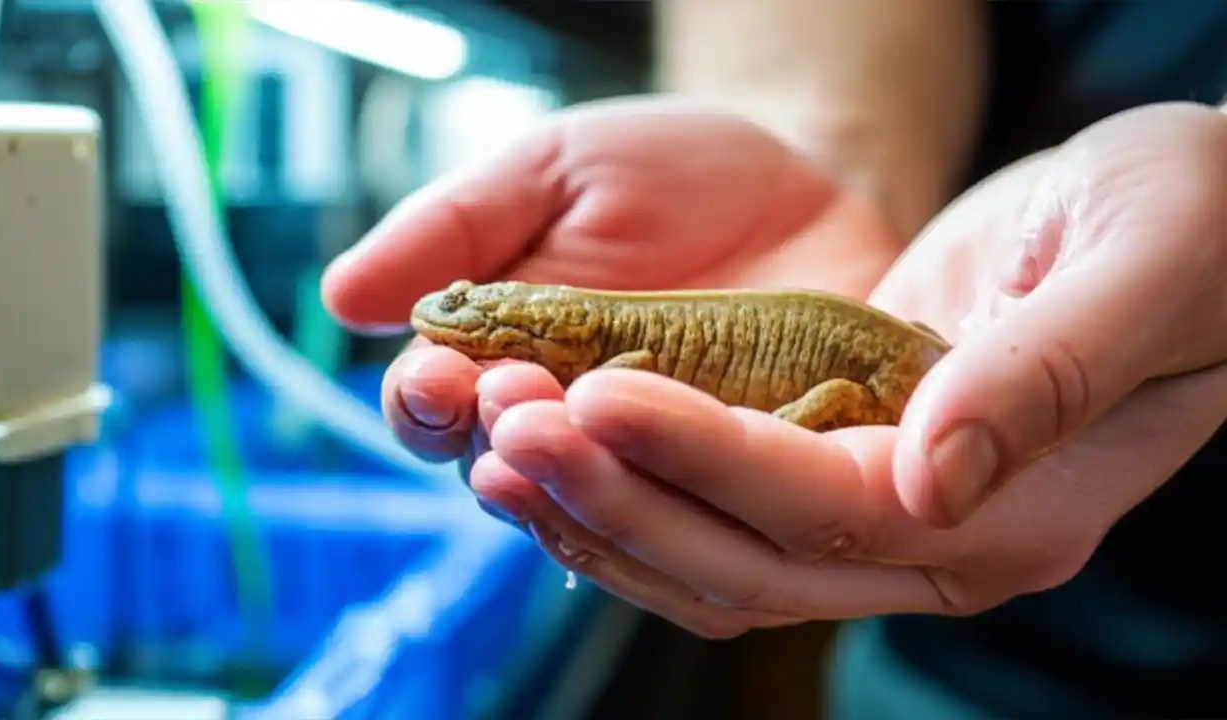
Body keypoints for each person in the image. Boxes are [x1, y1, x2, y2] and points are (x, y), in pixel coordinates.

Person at [320, 2, 1227, 718]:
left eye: (500, 323)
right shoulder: (586, 343)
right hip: (974, 673)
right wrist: (818, 145)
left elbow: (839, 391)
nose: (467, 328)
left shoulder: (602, 349)